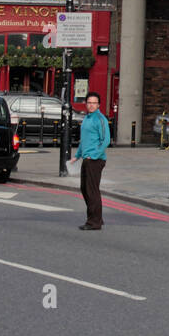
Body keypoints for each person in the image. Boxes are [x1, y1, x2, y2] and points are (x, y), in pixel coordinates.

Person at [74, 91, 109, 231]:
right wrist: (77, 155)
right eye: (89, 102)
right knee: (85, 189)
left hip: (95, 160)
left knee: (92, 191)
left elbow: (105, 140)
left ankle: (94, 222)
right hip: (86, 159)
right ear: (86, 104)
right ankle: (97, 217)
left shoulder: (100, 119)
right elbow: (84, 140)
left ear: (99, 105)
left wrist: (94, 155)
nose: (91, 105)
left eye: (94, 103)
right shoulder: (86, 119)